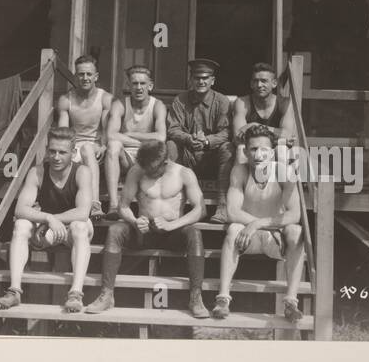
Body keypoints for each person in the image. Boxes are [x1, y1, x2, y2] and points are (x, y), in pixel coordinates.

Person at [85, 139, 210, 319]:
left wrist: (172, 224)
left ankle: (196, 297)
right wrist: (135, 221)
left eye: (152, 170)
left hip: (173, 234)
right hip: (144, 232)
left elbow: (201, 209)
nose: (148, 173)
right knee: (115, 230)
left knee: (194, 233)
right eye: (145, 169)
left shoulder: (184, 173)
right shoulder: (137, 171)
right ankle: (106, 294)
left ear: (165, 162)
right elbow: (123, 206)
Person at [0, 127, 94, 314]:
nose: (56, 157)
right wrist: (48, 218)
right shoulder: (37, 172)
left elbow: (82, 212)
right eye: (52, 151)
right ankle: (14, 291)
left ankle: (75, 294)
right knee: (21, 225)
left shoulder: (82, 172)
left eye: (62, 152)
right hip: (45, 230)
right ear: (47, 150)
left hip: (73, 230)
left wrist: (53, 219)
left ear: (73, 153)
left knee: (80, 227)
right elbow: (20, 209)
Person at [212, 124, 307, 323]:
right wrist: (256, 226)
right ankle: (223, 300)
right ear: (246, 151)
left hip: (276, 240)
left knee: (296, 233)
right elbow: (232, 212)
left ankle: (291, 302)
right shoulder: (240, 171)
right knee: (232, 230)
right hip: (249, 238)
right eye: (253, 149)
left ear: (271, 152)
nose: (258, 154)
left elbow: (295, 215)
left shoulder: (283, 172)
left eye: (264, 149)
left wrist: (257, 224)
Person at [167, 58, 232, 223]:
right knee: (170, 145)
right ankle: (173, 203)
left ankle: (222, 205)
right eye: (197, 77)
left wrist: (207, 141)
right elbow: (173, 129)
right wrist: (189, 139)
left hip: (213, 159)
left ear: (212, 80)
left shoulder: (222, 101)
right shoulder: (180, 100)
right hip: (188, 158)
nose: (201, 81)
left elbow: (227, 131)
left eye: (205, 78)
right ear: (191, 79)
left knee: (228, 148)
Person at [104, 65, 167, 217]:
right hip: (125, 158)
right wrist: (142, 142)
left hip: (147, 159)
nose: (139, 88)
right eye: (135, 83)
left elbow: (161, 137)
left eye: (143, 83)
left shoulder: (157, 105)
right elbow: (111, 135)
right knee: (113, 146)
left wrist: (130, 133)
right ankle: (113, 205)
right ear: (129, 86)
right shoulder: (120, 104)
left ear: (150, 86)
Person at [56, 54, 112, 218]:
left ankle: (95, 204)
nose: (85, 78)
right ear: (76, 76)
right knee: (59, 156)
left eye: (89, 74)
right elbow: (63, 134)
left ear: (96, 76)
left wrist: (103, 145)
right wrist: (66, 151)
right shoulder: (67, 100)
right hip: (75, 146)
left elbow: (108, 130)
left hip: (96, 147)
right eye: (81, 74)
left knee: (87, 149)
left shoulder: (105, 99)